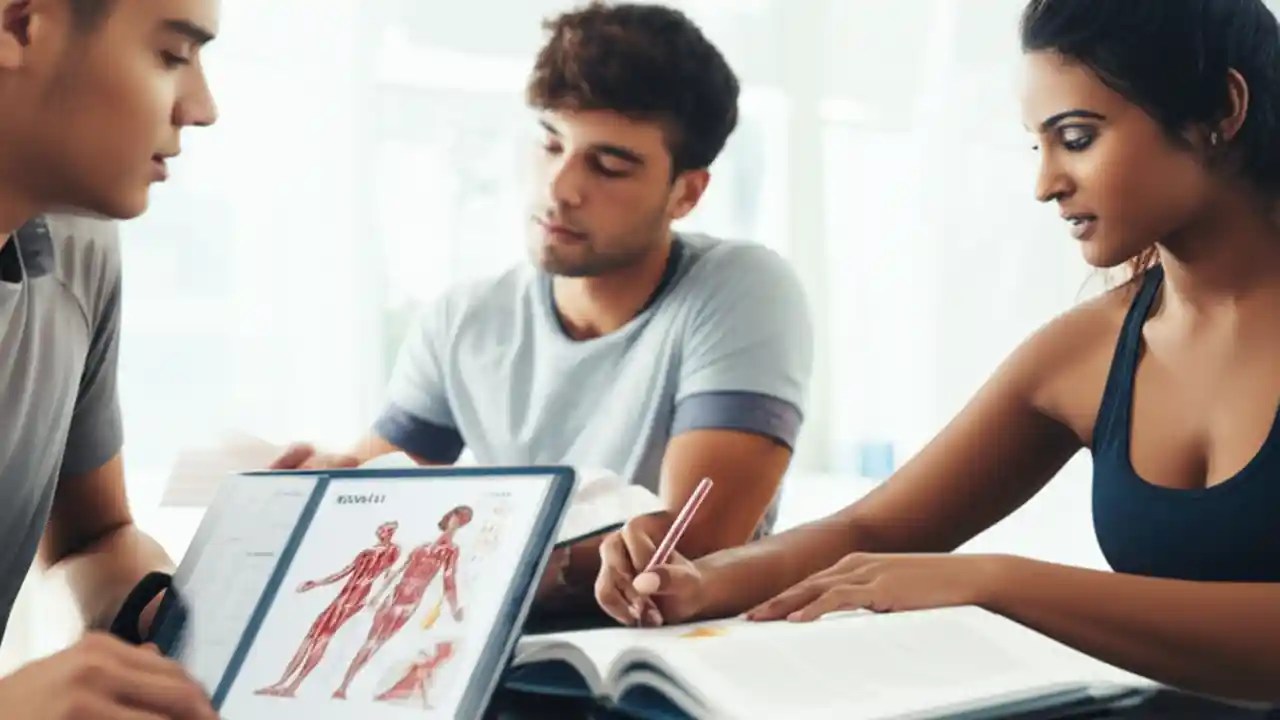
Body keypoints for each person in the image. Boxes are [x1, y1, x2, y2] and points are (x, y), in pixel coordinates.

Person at [597, 0, 1280, 704]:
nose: (1045, 183)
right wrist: (702, 581)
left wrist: (998, 581)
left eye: (1077, 137)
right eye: (1037, 145)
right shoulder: (1089, 351)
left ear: (1221, 111)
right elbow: (876, 527)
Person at [274, 1, 814, 616]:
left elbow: (691, 551)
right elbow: (376, 510)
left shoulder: (742, 289)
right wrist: (328, 489)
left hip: (665, 665)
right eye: (550, 143)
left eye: (609, 166)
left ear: (686, 193)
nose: (561, 187)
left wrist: (478, 551)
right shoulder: (464, 318)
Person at [0, 0, 219, 717]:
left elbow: (92, 538)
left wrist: (174, 616)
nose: (203, 107)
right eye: (172, 55)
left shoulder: (78, 245)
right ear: (16, 23)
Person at [331, 506, 471, 700]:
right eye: (455, 518)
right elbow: (398, 572)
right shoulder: (421, 547)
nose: (455, 523)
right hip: (395, 596)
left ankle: (350, 685)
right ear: (449, 518)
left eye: (460, 521)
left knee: (378, 643)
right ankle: (343, 686)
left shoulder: (450, 551)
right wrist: (378, 595)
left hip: (410, 602)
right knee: (370, 641)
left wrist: (455, 608)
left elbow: (449, 580)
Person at [255, 521, 402, 698]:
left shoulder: (379, 552)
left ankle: (290, 684)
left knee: (319, 636)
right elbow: (347, 572)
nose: (380, 530)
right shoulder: (377, 552)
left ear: (389, 532)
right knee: (316, 636)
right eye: (382, 528)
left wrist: (318, 583)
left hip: (352, 597)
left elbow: (358, 572)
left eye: (385, 528)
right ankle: (286, 683)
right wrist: (317, 583)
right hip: (352, 596)